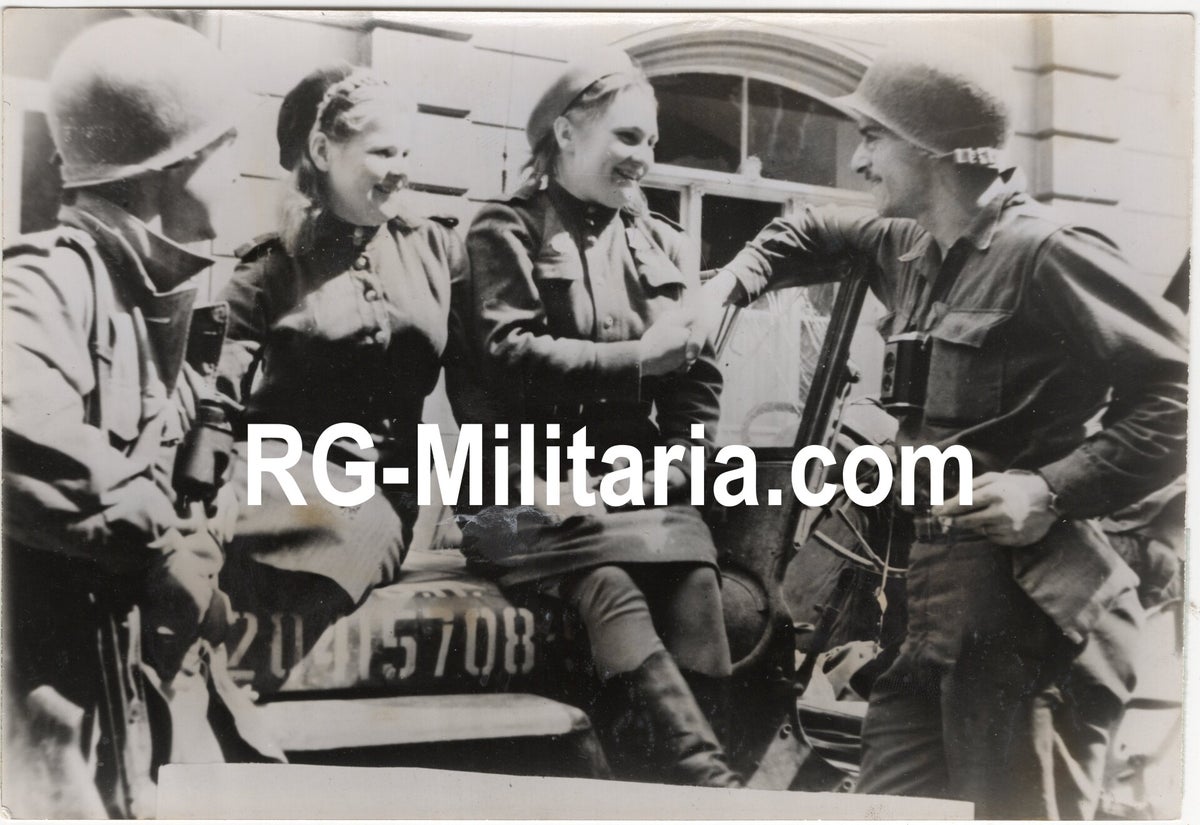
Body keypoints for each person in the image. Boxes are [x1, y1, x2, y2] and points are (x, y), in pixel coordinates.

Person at [701, 45, 1188, 818]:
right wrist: (725, 289)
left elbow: (1179, 390)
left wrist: (1050, 489)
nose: (858, 162)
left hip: (1023, 614)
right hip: (919, 605)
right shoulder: (912, 247)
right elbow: (809, 231)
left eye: (872, 138)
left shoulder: (1044, 254)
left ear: (931, 150)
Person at [2, 17, 280, 818]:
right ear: (174, 162)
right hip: (45, 720)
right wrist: (162, 541)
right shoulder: (41, 284)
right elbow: (17, 429)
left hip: (130, 699)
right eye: (228, 150)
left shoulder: (163, 300)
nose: (236, 174)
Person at [451, 48, 739, 788]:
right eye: (626, 138)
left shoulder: (662, 242)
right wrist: (641, 360)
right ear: (567, 132)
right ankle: (705, 787)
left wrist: (682, 455)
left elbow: (698, 378)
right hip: (519, 490)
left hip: (634, 487)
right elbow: (508, 358)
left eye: (650, 140)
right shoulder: (502, 231)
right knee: (607, 584)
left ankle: (671, 782)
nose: (644, 157)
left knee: (697, 582)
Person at [215, 64, 469, 688]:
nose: (402, 167)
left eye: (407, 150)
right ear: (324, 151)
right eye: (383, 151)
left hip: (375, 496)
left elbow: (482, 384)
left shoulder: (439, 251)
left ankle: (229, 703)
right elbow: (218, 386)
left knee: (344, 525)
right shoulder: (272, 264)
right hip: (273, 479)